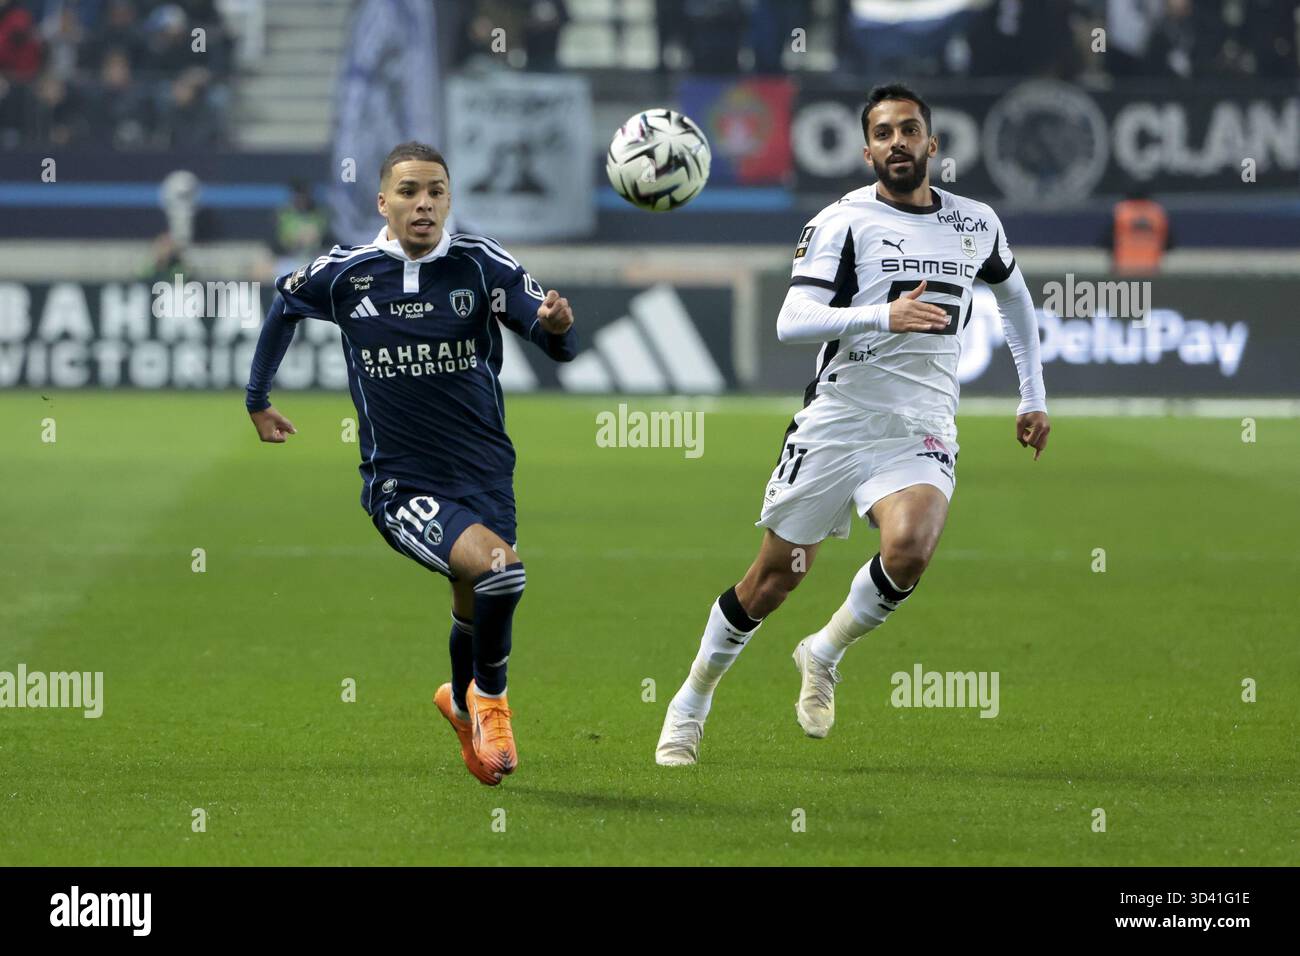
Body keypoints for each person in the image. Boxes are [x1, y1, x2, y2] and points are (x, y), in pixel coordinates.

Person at [656, 84, 1050, 765]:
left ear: (932, 144)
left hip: (920, 423)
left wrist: (1032, 395)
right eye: (884, 133)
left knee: (910, 550)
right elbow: (791, 322)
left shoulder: (975, 223)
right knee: (773, 581)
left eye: (910, 129)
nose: (898, 141)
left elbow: (1014, 298)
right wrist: (882, 315)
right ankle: (692, 699)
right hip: (838, 418)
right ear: (868, 151)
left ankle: (825, 651)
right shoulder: (842, 222)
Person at [245, 142, 578, 786]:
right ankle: (491, 700)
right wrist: (257, 399)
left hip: (484, 472)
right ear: (383, 202)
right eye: (408, 191)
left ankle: (457, 703)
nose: (423, 203)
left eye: (435, 191)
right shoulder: (346, 274)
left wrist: (556, 326)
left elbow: (548, 337)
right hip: (401, 484)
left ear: (449, 200)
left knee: (474, 594)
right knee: (501, 573)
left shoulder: (480, 266)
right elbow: (285, 304)